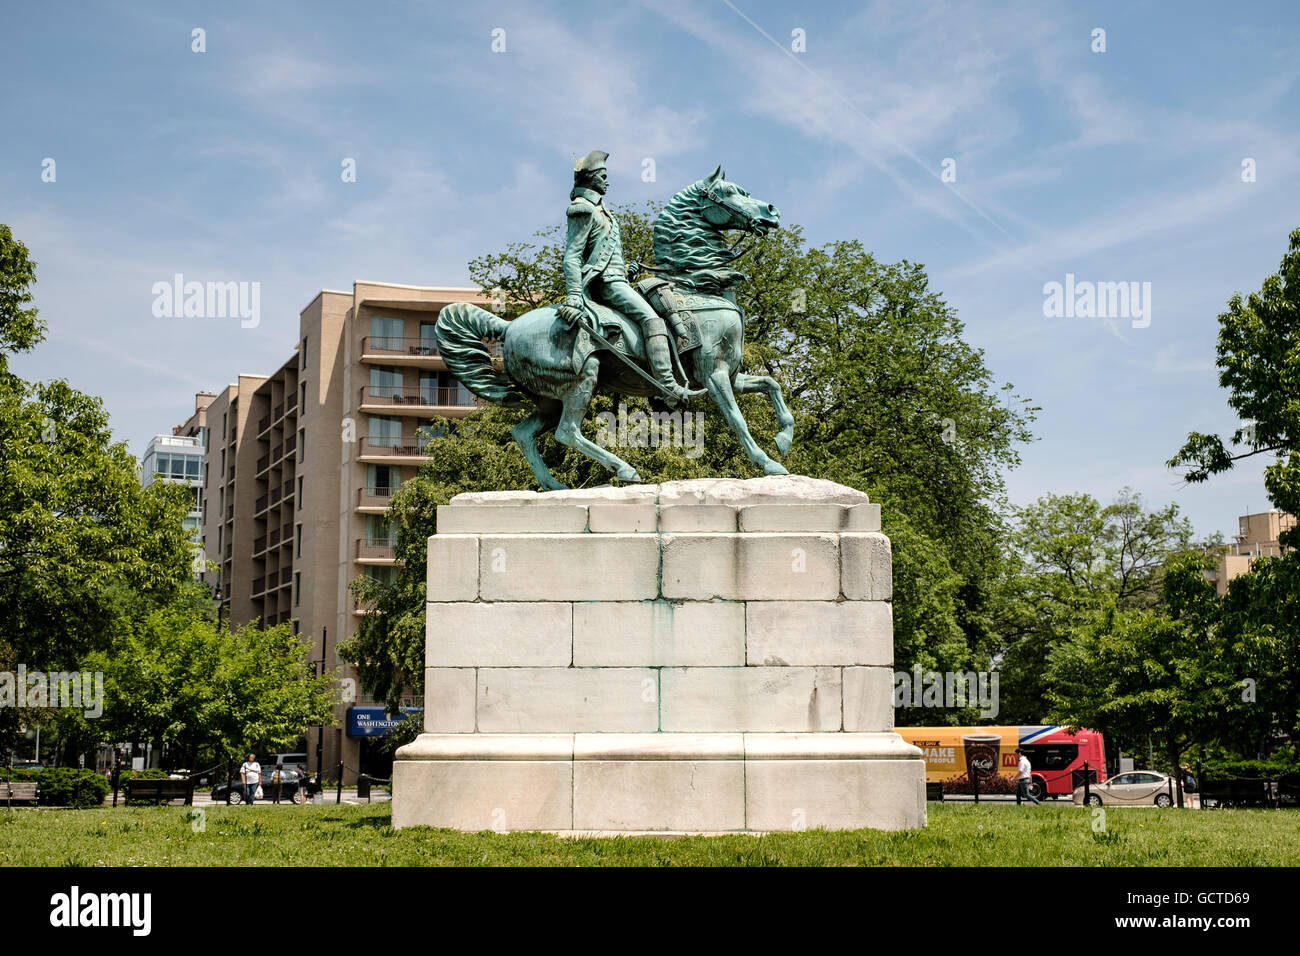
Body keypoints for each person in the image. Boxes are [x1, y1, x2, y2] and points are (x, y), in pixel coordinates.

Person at [556, 149, 700, 406]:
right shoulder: (583, 209)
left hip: (618, 280)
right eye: (603, 176)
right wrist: (575, 296)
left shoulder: (602, 211)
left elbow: (602, 254)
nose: (607, 181)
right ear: (590, 179)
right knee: (653, 320)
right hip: (607, 285)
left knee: (665, 305)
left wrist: (626, 272)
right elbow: (572, 256)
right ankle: (667, 386)